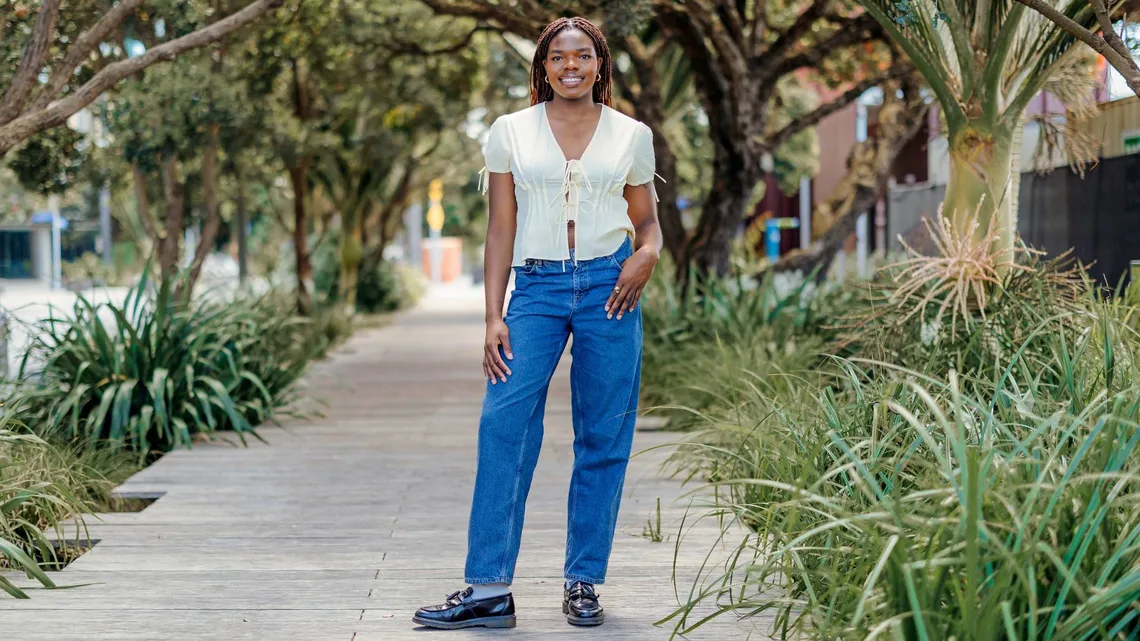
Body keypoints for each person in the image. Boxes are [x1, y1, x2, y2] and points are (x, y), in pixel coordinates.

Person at [413, 15, 662, 631]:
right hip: (537, 289)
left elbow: (648, 223)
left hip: (611, 288)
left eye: (583, 55)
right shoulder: (510, 132)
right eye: (558, 56)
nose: (570, 66)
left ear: (600, 65)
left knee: (603, 435)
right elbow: (501, 227)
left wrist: (647, 255)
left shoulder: (632, 135)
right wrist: (492, 316)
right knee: (503, 425)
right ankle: (489, 589)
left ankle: (583, 582)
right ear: (544, 67)